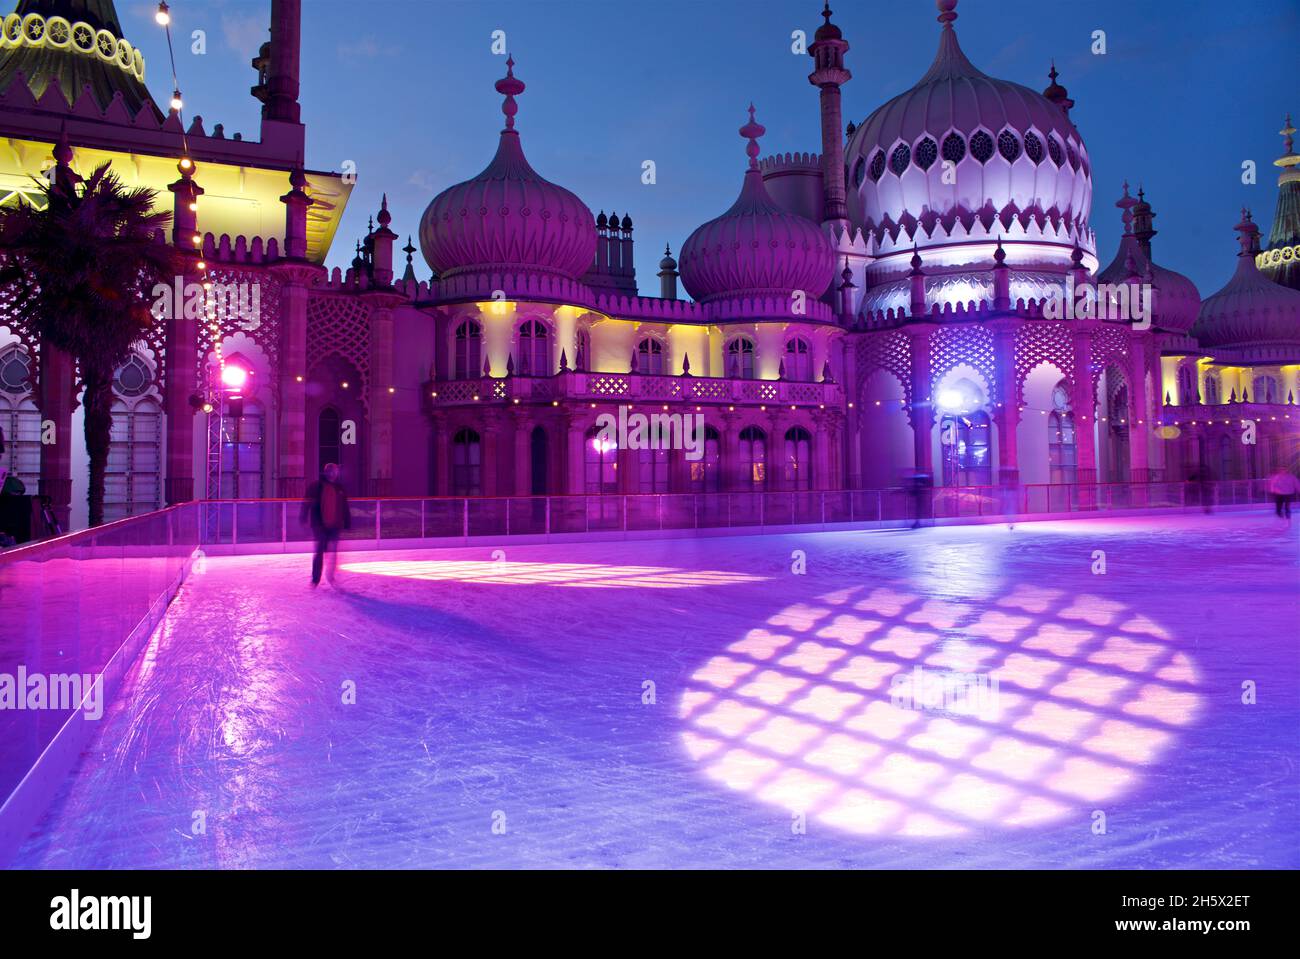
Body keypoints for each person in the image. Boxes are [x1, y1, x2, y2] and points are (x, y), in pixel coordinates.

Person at [302, 463, 350, 586]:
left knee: (333, 551)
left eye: (335, 471)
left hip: (335, 525)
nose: (333, 473)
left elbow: (344, 506)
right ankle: (315, 578)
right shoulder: (316, 486)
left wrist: (347, 521)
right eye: (331, 471)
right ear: (326, 472)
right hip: (319, 525)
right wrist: (303, 516)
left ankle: (330, 576)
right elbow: (306, 502)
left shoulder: (340, 488)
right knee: (319, 551)